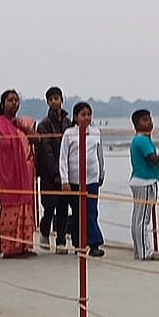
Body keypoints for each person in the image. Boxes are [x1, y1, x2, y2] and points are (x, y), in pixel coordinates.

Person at [0, 89, 37, 258]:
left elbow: (38, 140)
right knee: (9, 208)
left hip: (23, 174)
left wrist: (24, 129)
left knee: (24, 207)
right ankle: (9, 248)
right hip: (7, 176)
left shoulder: (23, 124)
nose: (14, 103)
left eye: (16, 100)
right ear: (3, 103)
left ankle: (23, 246)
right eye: (10, 100)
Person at [128, 109, 159, 261]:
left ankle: (139, 250)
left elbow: (151, 159)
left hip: (139, 180)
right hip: (145, 181)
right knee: (143, 219)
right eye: (144, 120)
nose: (149, 122)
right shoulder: (142, 140)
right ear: (136, 124)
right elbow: (153, 159)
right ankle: (145, 252)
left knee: (138, 217)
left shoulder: (140, 140)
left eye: (150, 119)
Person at [59, 101, 105, 257]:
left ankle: (95, 243)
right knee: (78, 211)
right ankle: (78, 242)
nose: (86, 118)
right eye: (83, 114)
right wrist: (64, 180)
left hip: (92, 179)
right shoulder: (69, 133)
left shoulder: (96, 132)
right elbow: (63, 158)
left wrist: (101, 174)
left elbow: (99, 154)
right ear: (76, 117)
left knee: (91, 211)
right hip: (74, 180)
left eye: (88, 114)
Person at [35, 86, 71, 254]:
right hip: (50, 173)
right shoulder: (44, 125)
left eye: (57, 98)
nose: (55, 101)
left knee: (63, 207)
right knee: (49, 206)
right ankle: (44, 231)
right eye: (51, 99)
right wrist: (55, 172)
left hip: (66, 172)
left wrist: (65, 172)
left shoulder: (68, 123)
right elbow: (46, 150)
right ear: (47, 102)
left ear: (62, 99)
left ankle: (61, 241)